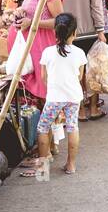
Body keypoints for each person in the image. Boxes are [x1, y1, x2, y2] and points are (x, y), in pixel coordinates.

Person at [24, 13, 87, 177]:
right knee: (73, 127)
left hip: (54, 97)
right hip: (73, 97)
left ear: (55, 32)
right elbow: (79, 76)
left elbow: (44, 77)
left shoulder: (48, 52)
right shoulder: (80, 53)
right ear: (74, 33)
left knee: (43, 128)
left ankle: (43, 169)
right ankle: (71, 165)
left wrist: (54, 88)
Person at [55, 0, 108, 120]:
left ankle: (80, 112)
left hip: (67, 32)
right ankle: (93, 108)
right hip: (90, 31)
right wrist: (101, 30)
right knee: (92, 72)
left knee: (74, 73)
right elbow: (96, 6)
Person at [7, 0, 65, 103]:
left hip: (43, 46)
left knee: (47, 90)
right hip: (30, 49)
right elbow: (30, 14)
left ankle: (53, 123)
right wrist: (19, 12)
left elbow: (61, 21)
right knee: (37, 94)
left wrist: (33, 23)